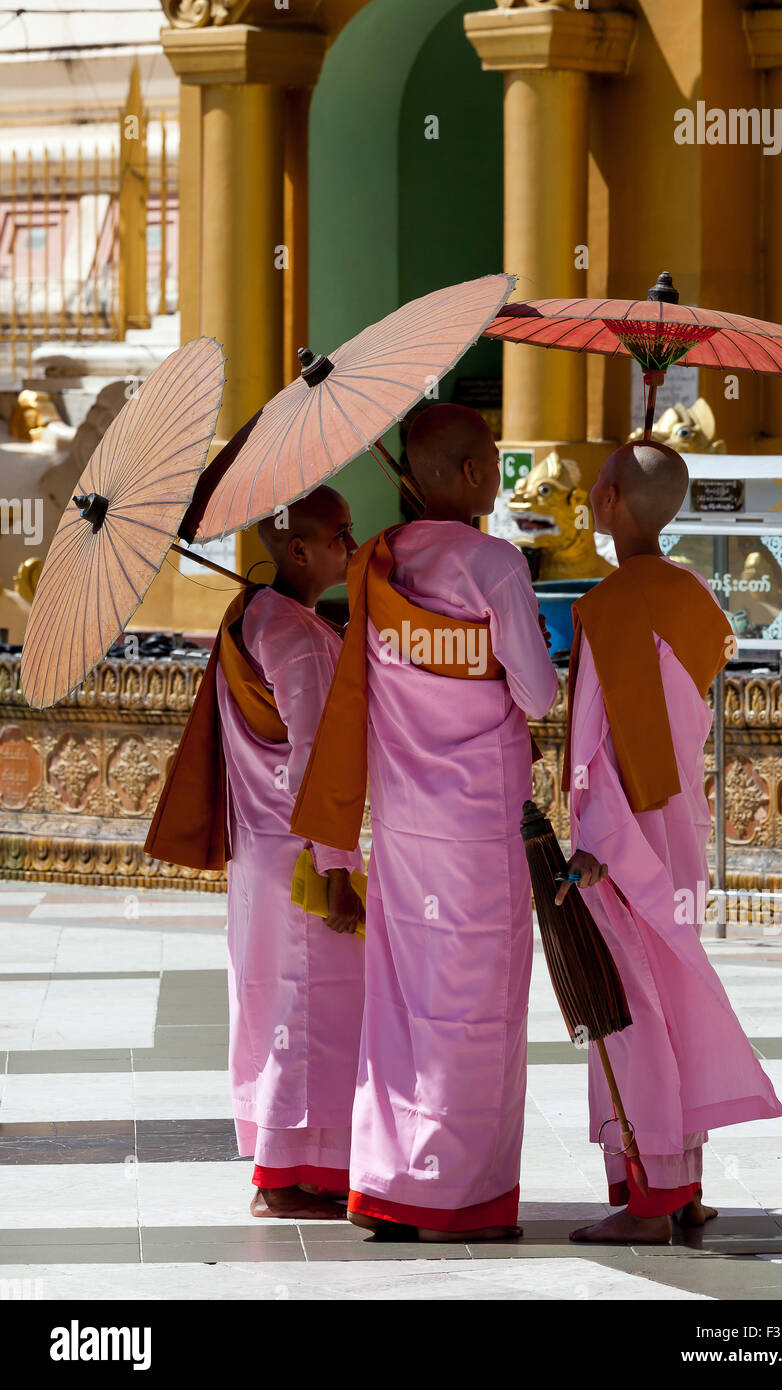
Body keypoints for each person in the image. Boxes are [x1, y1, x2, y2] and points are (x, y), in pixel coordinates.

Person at [291, 403, 558, 1241]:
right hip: (482, 825)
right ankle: (459, 1195)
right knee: (478, 1009)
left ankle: (393, 1183)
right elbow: (540, 694)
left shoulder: (374, 565)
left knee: (403, 1003)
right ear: (473, 476)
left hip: (404, 828)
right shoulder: (495, 566)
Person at [558, 441, 782, 1245]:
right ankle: (683, 1186)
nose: (588, 500)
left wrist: (589, 845)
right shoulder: (696, 599)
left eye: (595, 489)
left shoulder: (608, 606)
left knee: (632, 1013)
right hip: (680, 830)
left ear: (612, 500)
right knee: (675, 1000)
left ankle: (652, 1200)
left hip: (624, 843)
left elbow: (592, 747)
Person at [146, 487, 366, 1219]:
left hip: (264, 851)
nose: (351, 542)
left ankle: (312, 1167)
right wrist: (336, 869)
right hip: (304, 852)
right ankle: (280, 1177)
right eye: (339, 533)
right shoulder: (295, 636)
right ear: (298, 550)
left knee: (289, 1003)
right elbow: (314, 758)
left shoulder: (256, 614)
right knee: (306, 1008)